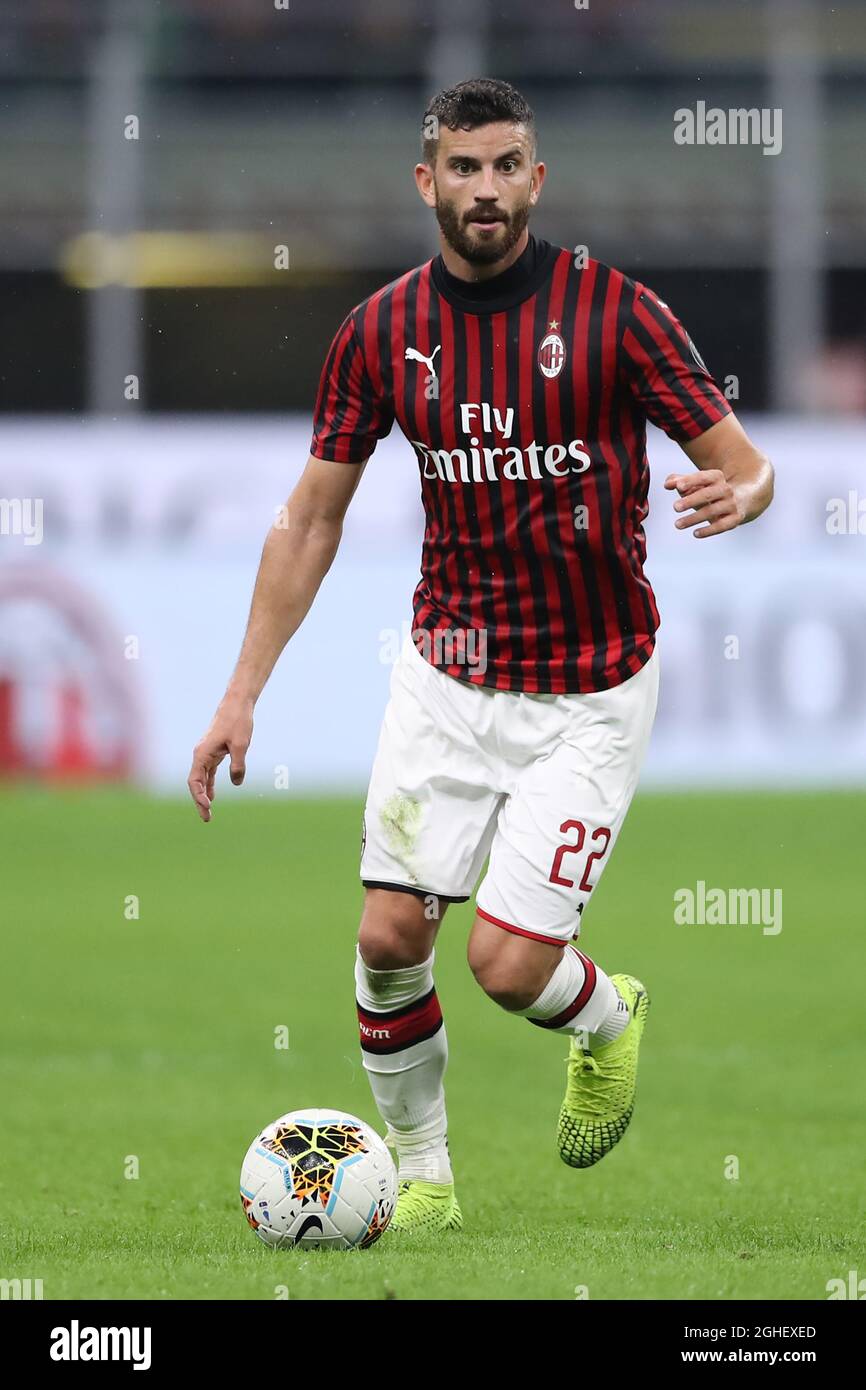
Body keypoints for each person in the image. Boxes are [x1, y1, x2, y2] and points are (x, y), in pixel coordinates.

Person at [188, 78, 774, 1234]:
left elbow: (746, 460)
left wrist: (742, 492)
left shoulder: (615, 312)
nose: (487, 189)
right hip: (446, 678)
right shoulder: (382, 332)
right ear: (427, 183)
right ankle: (423, 1184)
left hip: (589, 691)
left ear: (536, 179)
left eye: (507, 166)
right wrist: (238, 693)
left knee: (507, 966)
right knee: (387, 937)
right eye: (464, 168)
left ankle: (606, 1020)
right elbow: (310, 518)